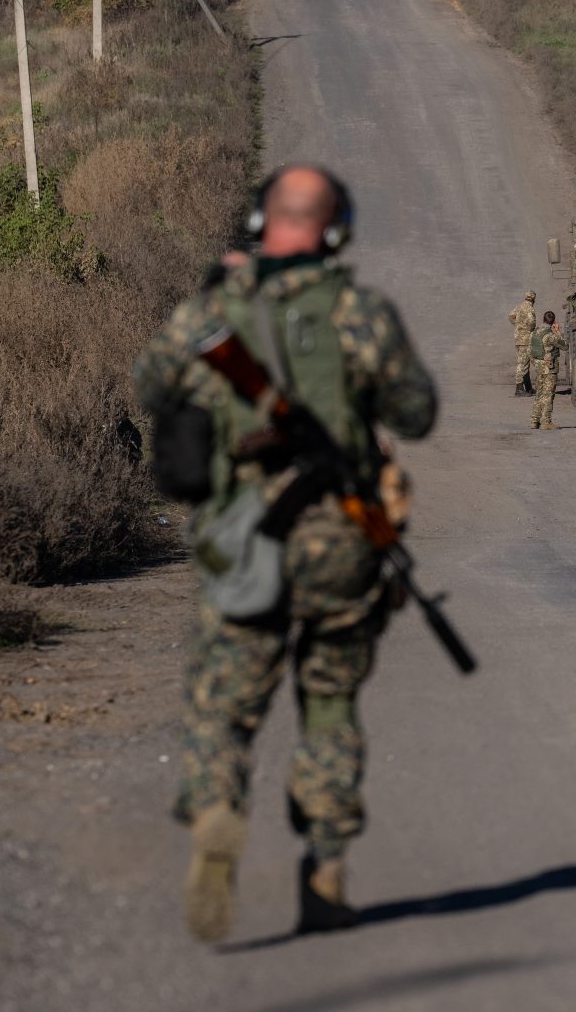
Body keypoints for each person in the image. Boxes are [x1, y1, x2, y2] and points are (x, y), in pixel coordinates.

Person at [131, 165, 437, 943]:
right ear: (337, 232)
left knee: (224, 706)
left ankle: (217, 814)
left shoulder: (213, 311)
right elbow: (418, 410)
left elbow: (152, 381)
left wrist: (213, 294)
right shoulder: (361, 314)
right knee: (330, 705)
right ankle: (326, 867)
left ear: (261, 225)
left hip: (246, 539)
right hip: (344, 542)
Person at [530, 311, 563, 430]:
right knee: (548, 394)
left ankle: (534, 420)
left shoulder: (535, 332)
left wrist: (537, 362)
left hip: (539, 367)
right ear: (553, 321)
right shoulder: (550, 335)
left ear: (543, 319)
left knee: (539, 393)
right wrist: (558, 331)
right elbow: (564, 345)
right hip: (549, 368)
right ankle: (546, 421)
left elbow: (530, 351)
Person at [508, 290, 537, 395]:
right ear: (533, 299)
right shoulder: (530, 308)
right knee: (523, 364)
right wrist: (529, 329)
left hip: (518, 338)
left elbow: (511, 316)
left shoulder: (519, 306)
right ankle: (519, 389)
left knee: (525, 362)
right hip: (525, 339)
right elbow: (532, 322)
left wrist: (518, 325)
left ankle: (528, 387)